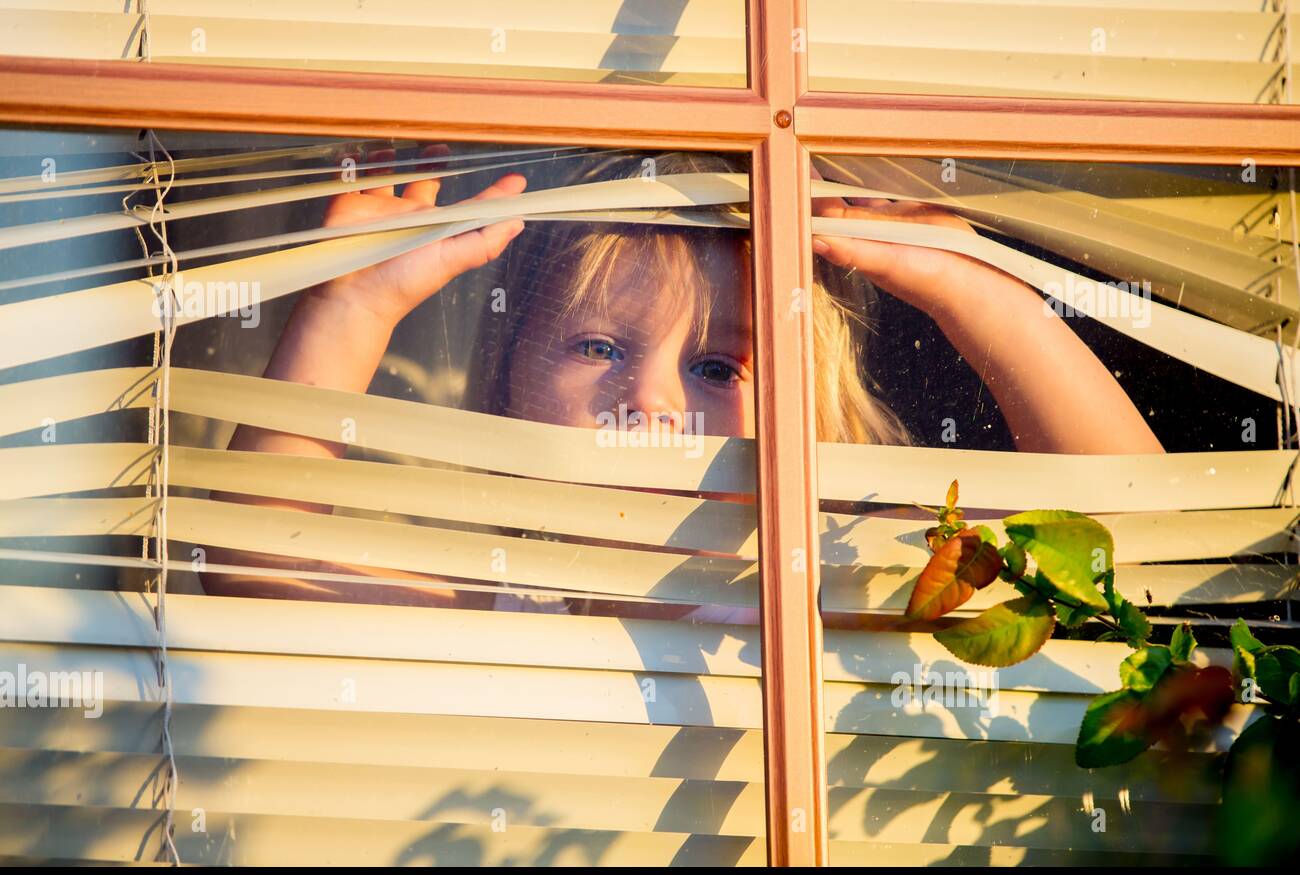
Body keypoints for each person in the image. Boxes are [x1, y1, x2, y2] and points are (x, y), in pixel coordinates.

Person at [202, 148, 1161, 607]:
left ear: (810, 417)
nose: (652, 403)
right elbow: (261, 572)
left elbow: (1134, 554)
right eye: (599, 348)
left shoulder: (871, 590)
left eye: (716, 366)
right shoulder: (507, 611)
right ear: (506, 393)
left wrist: (976, 294)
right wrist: (351, 311)